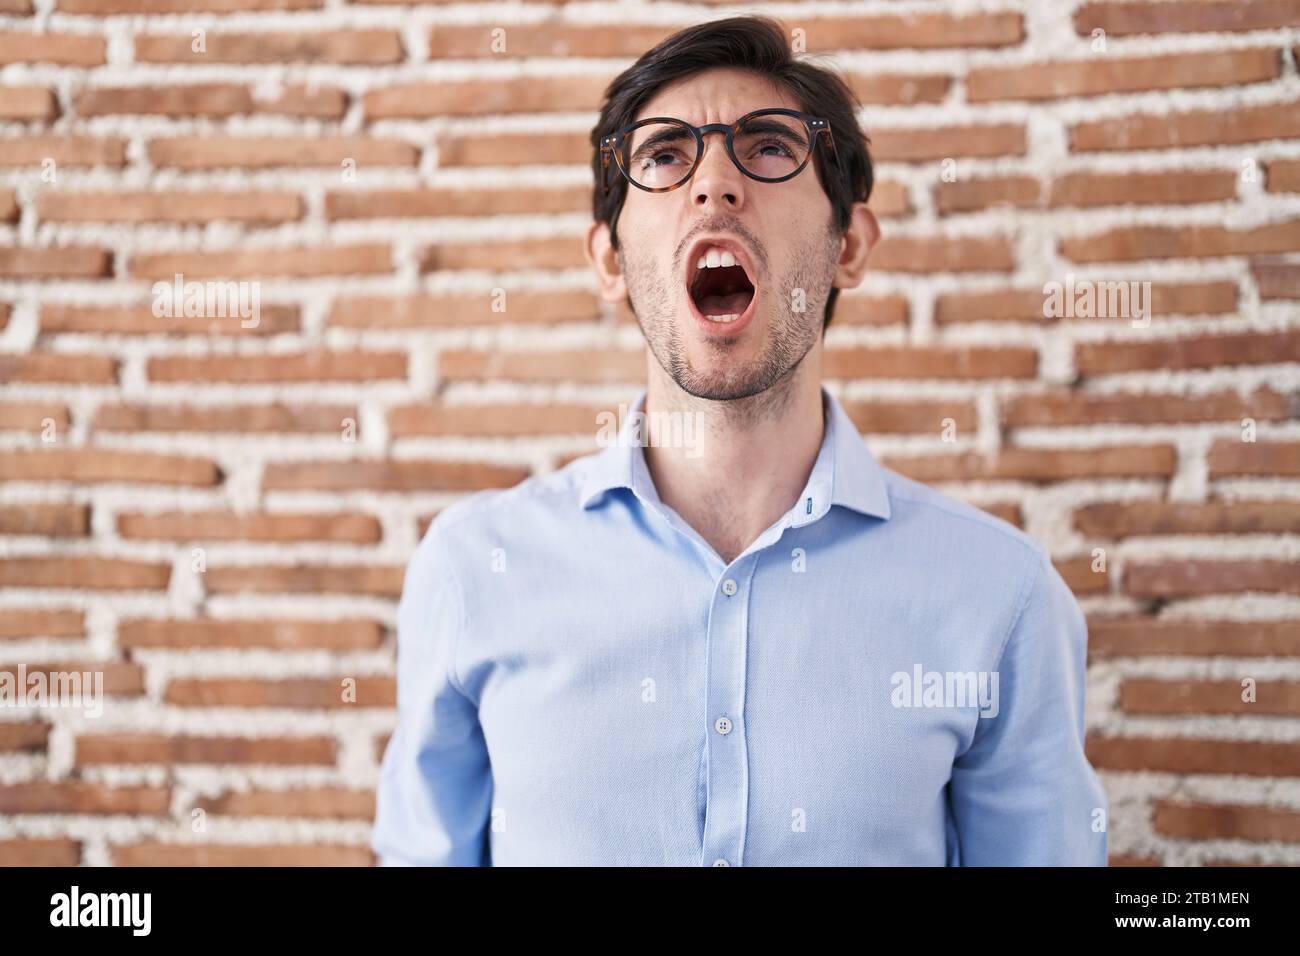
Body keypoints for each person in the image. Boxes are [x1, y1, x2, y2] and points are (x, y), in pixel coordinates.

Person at [371, 14, 1109, 866]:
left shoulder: (1000, 595)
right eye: (665, 156)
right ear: (610, 260)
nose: (714, 184)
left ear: (849, 247)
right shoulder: (471, 572)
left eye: (766, 149)